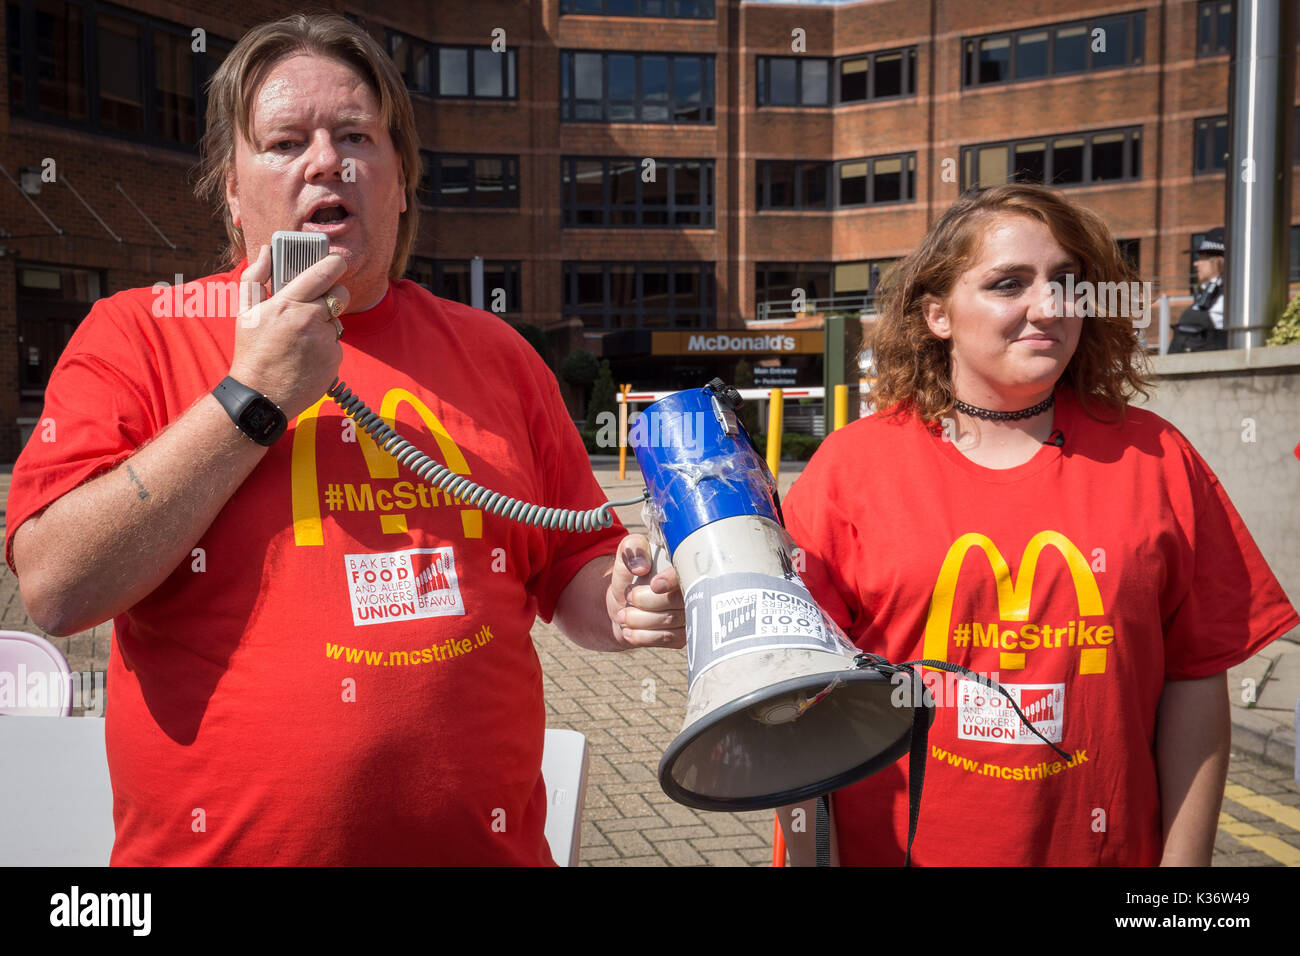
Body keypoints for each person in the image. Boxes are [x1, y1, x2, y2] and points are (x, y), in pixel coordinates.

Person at [4, 13, 682, 866]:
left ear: (401, 182)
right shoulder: (140, 333)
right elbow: (57, 589)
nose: (327, 161)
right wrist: (251, 399)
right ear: (230, 187)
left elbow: (573, 568)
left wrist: (625, 603)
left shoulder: (496, 353)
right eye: (285, 141)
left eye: (357, 135)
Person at [778, 185, 1298, 866]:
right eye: (1008, 283)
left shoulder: (1157, 458)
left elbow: (1196, 681)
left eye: (1066, 282)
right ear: (937, 313)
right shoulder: (852, 467)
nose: (1050, 306)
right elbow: (787, 694)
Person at [1169, 228, 1228, 352]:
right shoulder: (1206, 294)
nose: (1196, 263)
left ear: (1217, 261)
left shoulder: (1228, 297)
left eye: (1202, 258)